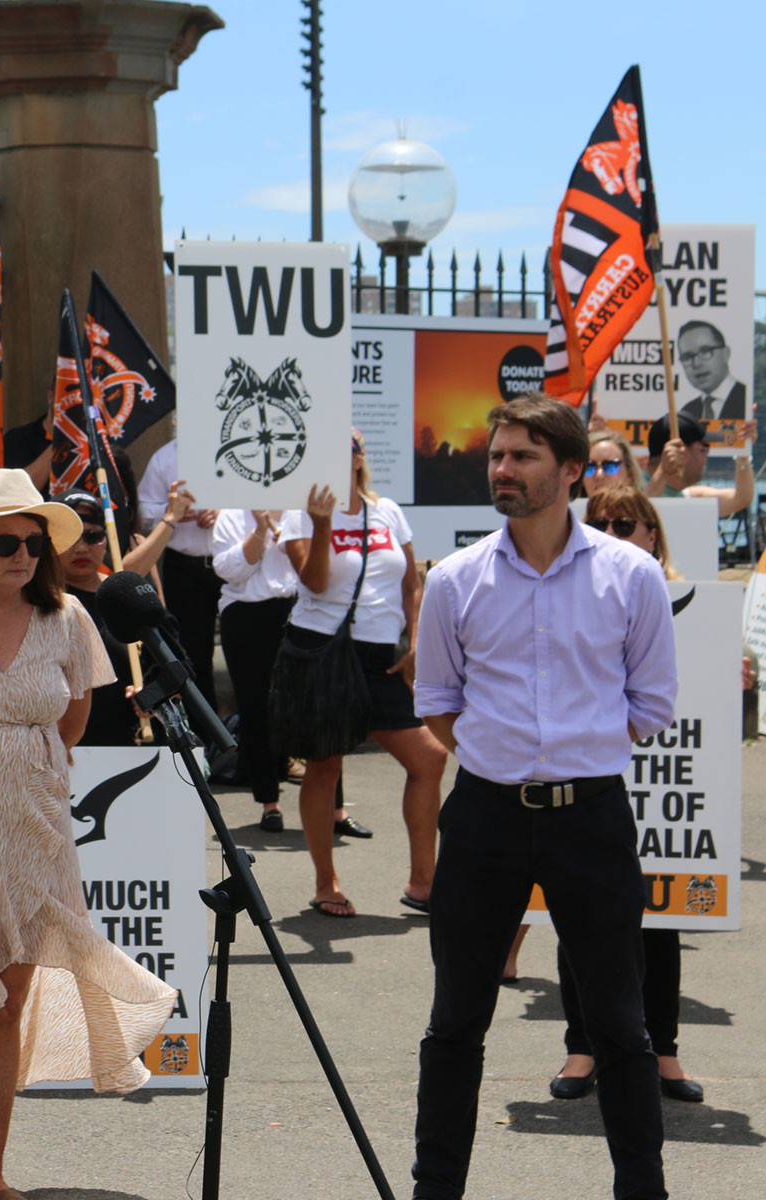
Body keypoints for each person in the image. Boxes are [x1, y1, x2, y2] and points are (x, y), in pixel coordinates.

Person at [412, 394, 676, 1200]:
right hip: (486, 814)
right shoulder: (455, 580)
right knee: (456, 1020)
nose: (503, 469)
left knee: (619, 1024)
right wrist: (506, 761)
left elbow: (651, 703)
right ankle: (437, 1189)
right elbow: (438, 701)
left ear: (569, 472)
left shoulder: (630, 575)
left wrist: (571, 755)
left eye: (523, 456)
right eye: (498, 455)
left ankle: (643, 1188)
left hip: (591, 818)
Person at [0, 469, 175, 1200]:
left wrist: (21, 757)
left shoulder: (69, 617)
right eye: (9, 541)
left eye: (35, 543)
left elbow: (72, 720)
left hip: (33, 828)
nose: (25, 555)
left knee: (6, 1002)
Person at [545, 485, 702, 1105]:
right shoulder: (559, 598)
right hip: (587, 785)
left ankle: (662, 1050)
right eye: (600, 521)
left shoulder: (693, 597)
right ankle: (581, 1045)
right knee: (576, 919)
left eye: (626, 522)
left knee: (658, 922)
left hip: (664, 789)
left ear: (652, 533)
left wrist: (736, 672)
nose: (612, 530)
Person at [279, 434, 446, 916]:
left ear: (359, 457)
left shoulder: (388, 510)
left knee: (429, 758)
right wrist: (323, 523)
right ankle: (325, 882)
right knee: (325, 764)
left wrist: (416, 643)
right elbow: (314, 582)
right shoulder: (300, 512)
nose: (341, 458)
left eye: (348, 449)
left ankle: (423, 883)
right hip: (324, 653)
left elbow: (412, 582)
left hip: (381, 659)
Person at [53, 487, 185, 746]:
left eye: (93, 536)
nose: (81, 547)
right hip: (65, 752)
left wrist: (153, 696)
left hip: (133, 752)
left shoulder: (128, 596)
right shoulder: (36, 604)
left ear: (106, 539)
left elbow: (177, 670)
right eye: (72, 538)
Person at [212, 507, 300, 830]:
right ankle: (269, 803)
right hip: (246, 615)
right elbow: (229, 570)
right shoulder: (232, 516)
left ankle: (334, 810)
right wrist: (260, 532)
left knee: (312, 706)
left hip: (296, 610)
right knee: (255, 710)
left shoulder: (299, 511)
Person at [136, 437, 222, 711]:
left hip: (238, 565)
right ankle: (205, 738)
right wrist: (171, 511)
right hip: (186, 567)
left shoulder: (244, 448)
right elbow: (143, 510)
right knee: (193, 654)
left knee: (249, 651)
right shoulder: (166, 456)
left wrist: (226, 512)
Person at [643, 413, 756, 516]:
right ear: (681, 452)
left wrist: (744, 453)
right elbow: (639, 517)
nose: (706, 459)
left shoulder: (686, 496)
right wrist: (663, 472)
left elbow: (742, 498)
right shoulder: (631, 486)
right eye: (703, 450)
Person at [675, 320, 745, 423]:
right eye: (687, 357)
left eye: (705, 351)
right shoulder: (687, 412)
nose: (697, 363)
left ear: (725, 353)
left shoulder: (747, 400)